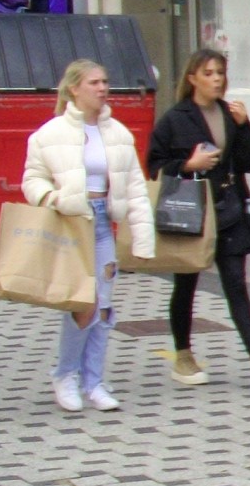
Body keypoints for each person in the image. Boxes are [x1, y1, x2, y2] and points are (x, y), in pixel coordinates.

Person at [146, 49, 250, 388]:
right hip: (192, 211)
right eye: (209, 73)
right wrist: (187, 165)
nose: (216, 80)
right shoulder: (175, 119)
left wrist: (245, 127)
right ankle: (183, 356)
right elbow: (154, 166)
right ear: (192, 78)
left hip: (229, 208)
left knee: (236, 282)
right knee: (186, 284)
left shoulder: (229, 114)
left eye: (220, 73)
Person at [22, 60, 156, 412]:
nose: (102, 88)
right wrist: (53, 198)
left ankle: (93, 381)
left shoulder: (118, 133)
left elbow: (136, 189)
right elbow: (32, 179)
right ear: (74, 89)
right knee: (83, 303)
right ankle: (65, 374)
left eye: (105, 81)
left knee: (104, 306)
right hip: (70, 224)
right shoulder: (50, 133)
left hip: (102, 224)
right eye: (94, 82)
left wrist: (143, 239)